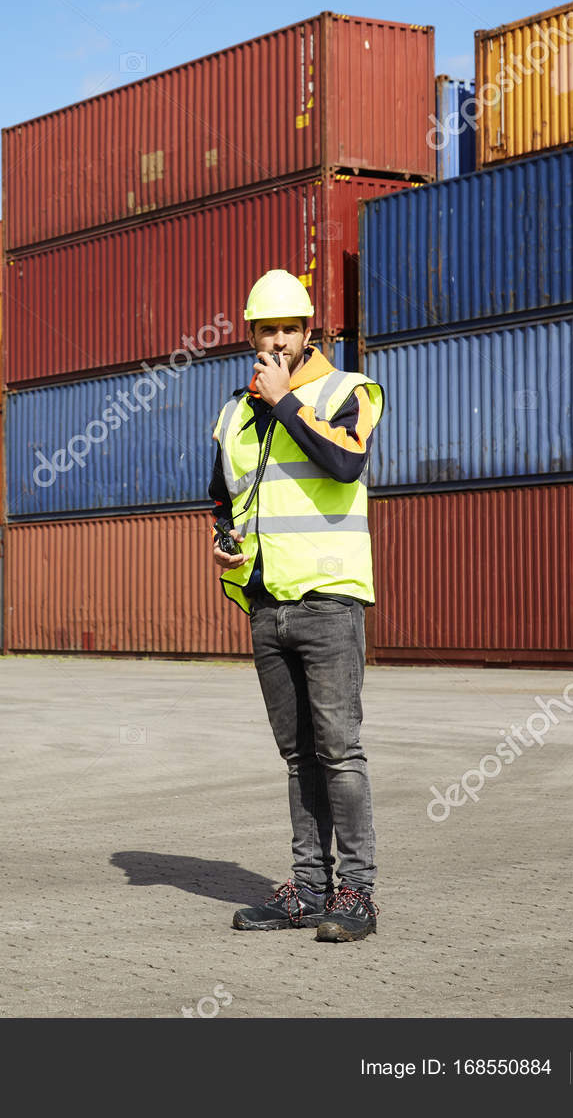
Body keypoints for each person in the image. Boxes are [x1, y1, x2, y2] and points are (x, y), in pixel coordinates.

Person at [208, 269, 385, 942]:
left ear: (310, 330)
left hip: (329, 600)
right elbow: (225, 497)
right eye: (266, 330)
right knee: (299, 757)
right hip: (266, 604)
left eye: (289, 328)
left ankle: (358, 894)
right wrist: (225, 543)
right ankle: (308, 892)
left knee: (340, 751)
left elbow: (345, 463)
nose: (277, 341)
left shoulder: (349, 391)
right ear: (250, 332)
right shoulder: (231, 412)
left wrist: (285, 401)